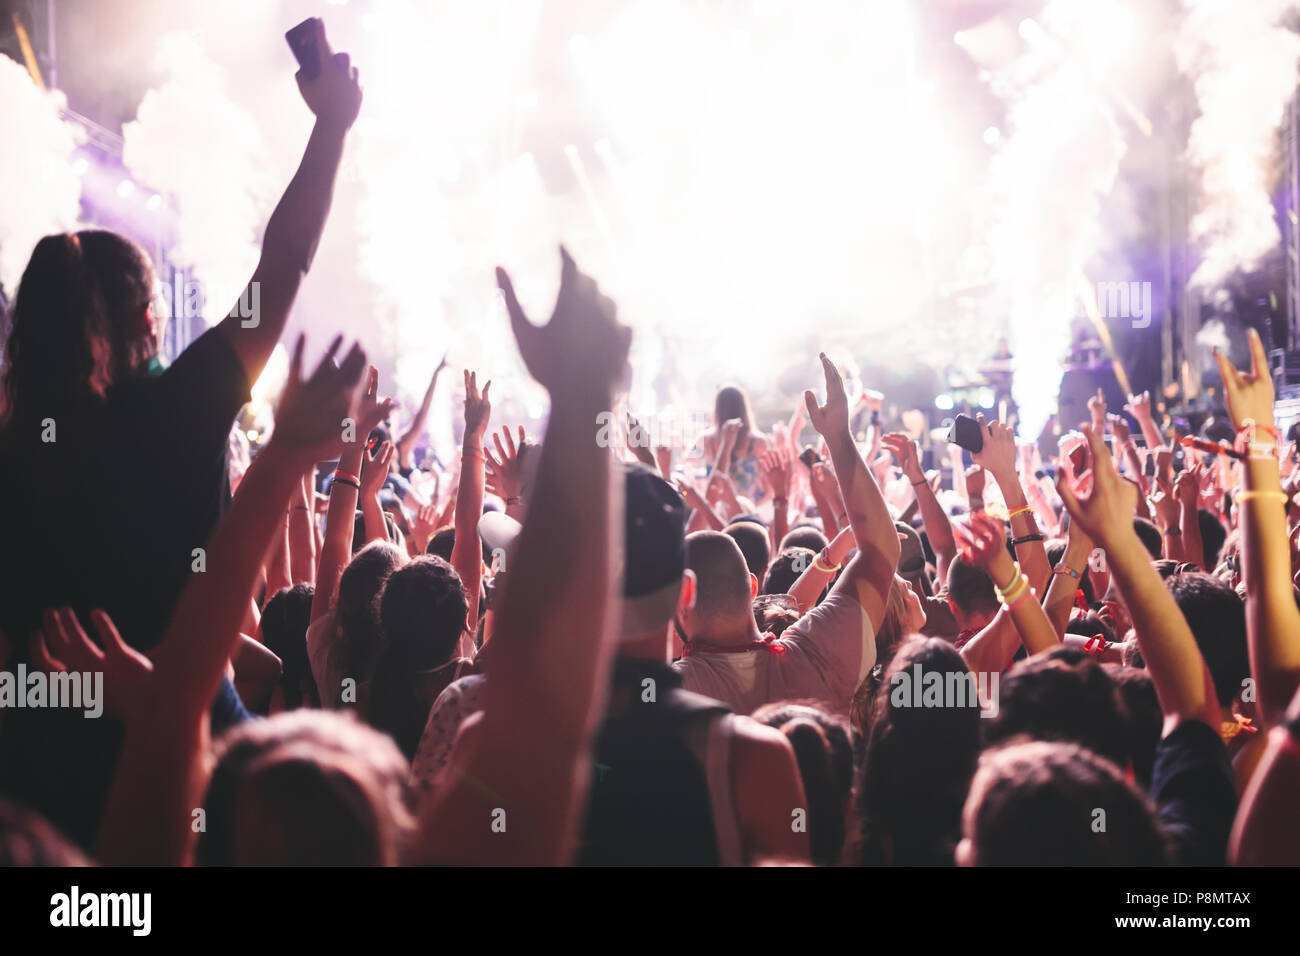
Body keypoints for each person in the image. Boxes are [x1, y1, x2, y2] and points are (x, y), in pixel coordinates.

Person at [0, 22, 363, 847]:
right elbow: (284, 267)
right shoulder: (176, 411)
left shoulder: (12, 453)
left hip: (34, 764)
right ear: (137, 318)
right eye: (155, 312)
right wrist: (331, 127)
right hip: (180, 740)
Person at [674, 355, 899, 716]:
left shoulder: (671, 696)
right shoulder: (818, 653)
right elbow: (882, 548)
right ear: (750, 587)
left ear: (681, 597)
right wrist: (839, 438)